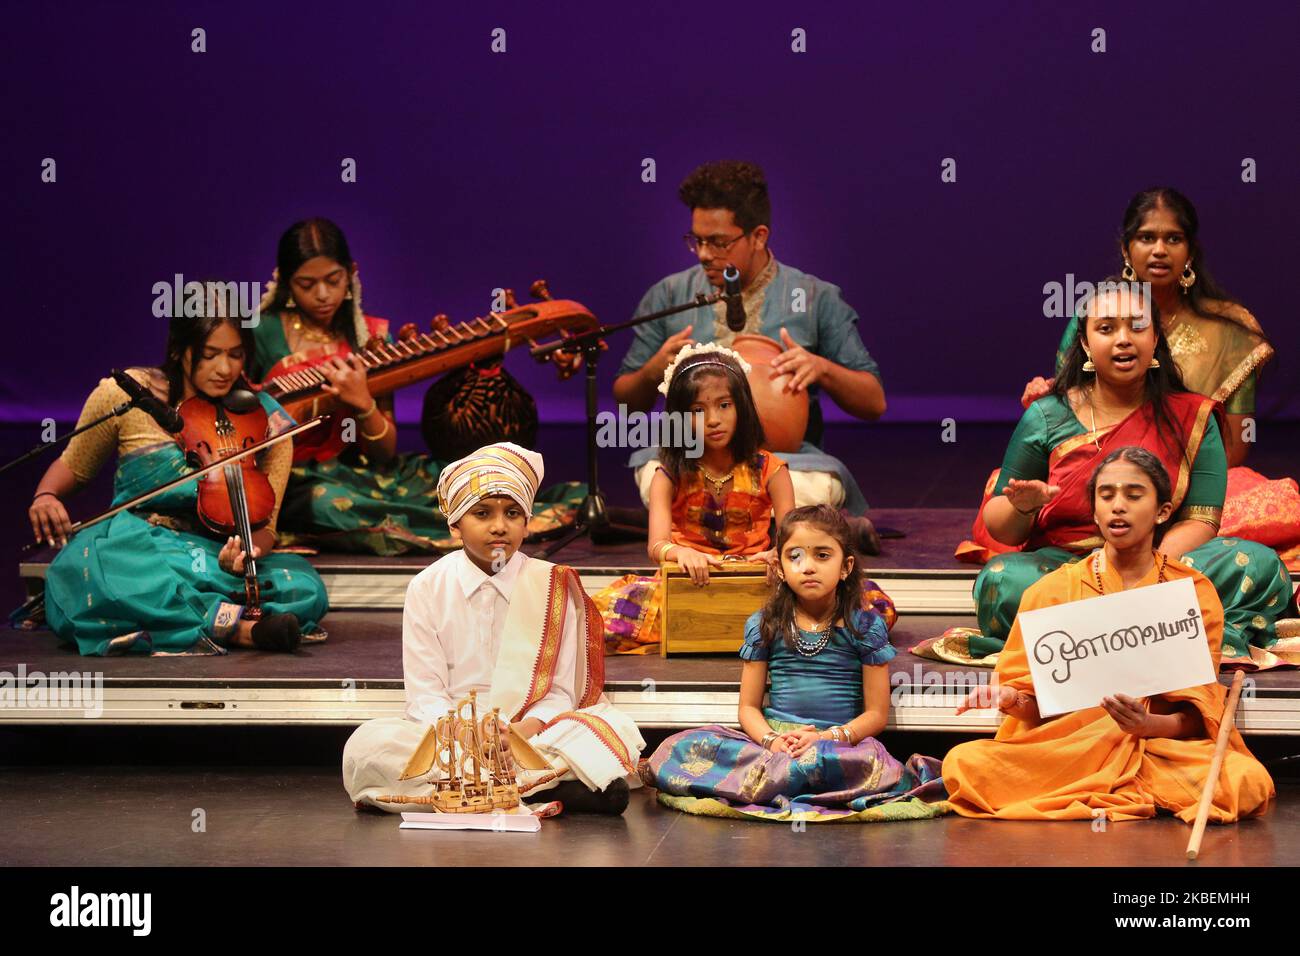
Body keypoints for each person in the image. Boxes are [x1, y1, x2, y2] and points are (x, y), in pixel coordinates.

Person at [920, 284, 1293, 669]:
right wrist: (1023, 508)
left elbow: (1201, 518)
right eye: (1106, 328)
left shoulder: (1193, 416)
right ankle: (1151, 633)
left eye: (1136, 326)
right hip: (1071, 569)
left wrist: (1148, 573)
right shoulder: (1047, 415)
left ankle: (1093, 635)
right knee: (1002, 580)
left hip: (1161, 563)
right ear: (1084, 343)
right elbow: (1001, 528)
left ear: (1155, 338)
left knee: (1256, 564)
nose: (1123, 339)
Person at [943, 447, 1275, 822]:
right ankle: (1119, 788)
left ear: (1163, 511)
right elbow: (1035, 709)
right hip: (1068, 752)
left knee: (1246, 781)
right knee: (963, 764)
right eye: (1106, 496)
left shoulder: (1192, 593)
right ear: (1095, 511)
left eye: (1133, 495)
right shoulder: (1051, 591)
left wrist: (1147, 725)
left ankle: (1107, 788)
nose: (1118, 506)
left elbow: (1198, 713)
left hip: (1157, 749)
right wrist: (1010, 698)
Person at [342, 442, 644, 813]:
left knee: (604, 727)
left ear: (527, 523)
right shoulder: (427, 586)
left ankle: (484, 789)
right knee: (369, 745)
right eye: (482, 513)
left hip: (526, 733)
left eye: (512, 513)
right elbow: (424, 694)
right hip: (451, 736)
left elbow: (560, 692)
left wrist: (517, 733)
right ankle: (547, 788)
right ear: (454, 524)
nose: (499, 526)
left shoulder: (552, 584)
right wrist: (467, 736)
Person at [248, 218, 581, 555]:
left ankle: (480, 522)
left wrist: (363, 404)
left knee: (456, 479)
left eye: (333, 280)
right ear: (286, 283)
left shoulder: (372, 338)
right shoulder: (262, 334)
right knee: (327, 504)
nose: (323, 294)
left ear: (351, 273)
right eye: (307, 284)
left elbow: (384, 452)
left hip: (358, 470)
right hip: (291, 477)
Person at [612, 160, 885, 549]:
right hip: (692, 461)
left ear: (758, 236)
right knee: (654, 468)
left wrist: (821, 368)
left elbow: (874, 402)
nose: (704, 254)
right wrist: (653, 370)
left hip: (784, 462)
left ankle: (690, 525)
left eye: (718, 242)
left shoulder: (814, 297)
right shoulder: (669, 296)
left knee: (816, 483)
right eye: (696, 241)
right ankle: (811, 528)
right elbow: (626, 401)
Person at [26, 309, 329, 655]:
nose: (225, 369)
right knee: (87, 568)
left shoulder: (265, 419)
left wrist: (247, 553)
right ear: (179, 350)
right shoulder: (127, 394)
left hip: (210, 558)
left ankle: (194, 620)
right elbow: (75, 465)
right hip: (136, 547)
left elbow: (267, 528)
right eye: (210, 354)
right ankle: (240, 629)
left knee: (307, 588)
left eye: (236, 355)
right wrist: (46, 495)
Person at [639, 505, 946, 823]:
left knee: (854, 763)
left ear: (846, 566)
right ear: (780, 568)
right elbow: (748, 708)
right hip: (777, 744)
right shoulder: (765, 624)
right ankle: (793, 778)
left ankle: (778, 782)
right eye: (795, 556)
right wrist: (772, 741)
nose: (808, 567)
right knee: (681, 747)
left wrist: (826, 738)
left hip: (837, 745)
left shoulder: (865, 627)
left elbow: (877, 714)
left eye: (822, 556)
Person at [1022, 188, 1274, 467]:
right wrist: (1046, 398)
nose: (1159, 250)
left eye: (1174, 239)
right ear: (1126, 249)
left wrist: (1173, 484)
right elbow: (1068, 419)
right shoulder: (1094, 316)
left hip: (1195, 476)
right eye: (1146, 238)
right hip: (1100, 474)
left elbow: (1234, 449)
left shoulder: (1232, 331)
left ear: (1190, 252)